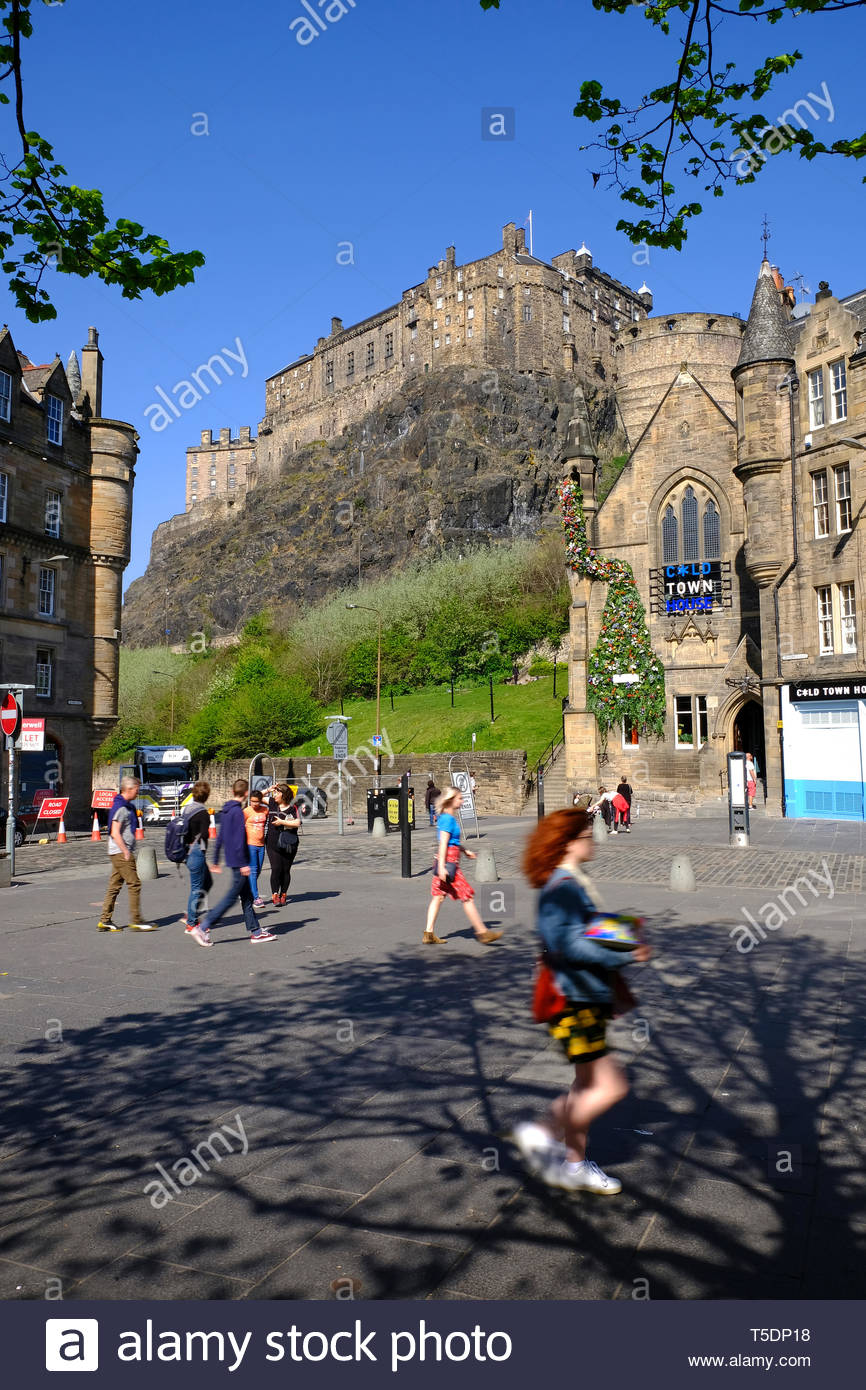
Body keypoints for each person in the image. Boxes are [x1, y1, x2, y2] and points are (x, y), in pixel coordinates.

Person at [513, 807, 651, 1193]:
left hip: (584, 997)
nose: (593, 840)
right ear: (569, 842)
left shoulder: (570, 881)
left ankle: (573, 1163)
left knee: (585, 1084)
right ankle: (541, 1133)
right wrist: (625, 952)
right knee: (611, 1087)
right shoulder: (563, 887)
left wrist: (629, 933)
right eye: (587, 834)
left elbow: (587, 927)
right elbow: (572, 944)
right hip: (575, 1002)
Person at [194, 779, 276, 947]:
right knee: (231, 898)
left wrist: (216, 859)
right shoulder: (238, 812)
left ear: (232, 792)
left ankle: (256, 931)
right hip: (240, 862)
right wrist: (244, 863)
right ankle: (203, 927)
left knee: (247, 898)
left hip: (232, 861)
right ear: (246, 794)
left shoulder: (225, 811)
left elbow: (221, 837)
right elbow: (239, 839)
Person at [422, 787, 502, 946]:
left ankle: (429, 933)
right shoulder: (447, 819)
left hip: (447, 860)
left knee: (438, 896)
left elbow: (452, 842)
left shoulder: (448, 817)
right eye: (460, 798)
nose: (462, 801)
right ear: (451, 800)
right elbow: (443, 843)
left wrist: (465, 851)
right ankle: (482, 932)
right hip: (449, 863)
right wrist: (444, 866)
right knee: (467, 896)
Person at [98, 777, 157, 932]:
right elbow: (115, 832)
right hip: (120, 852)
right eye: (137, 790)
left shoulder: (126, 806)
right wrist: (125, 851)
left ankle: (105, 920)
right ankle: (136, 920)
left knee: (114, 886)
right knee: (134, 884)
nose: (138, 793)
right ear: (129, 789)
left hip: (118, 851)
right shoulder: (121, 807)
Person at [182, 781, 212, 933]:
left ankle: (192, 914)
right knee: (196, 888)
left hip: (187, 850)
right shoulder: (203, 813)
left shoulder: (187, 809)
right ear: (206, 796)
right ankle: (191, 922)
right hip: (197, 852)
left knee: (207, 882)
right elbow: (205, 834)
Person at [265, 783, 301, 906]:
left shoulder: (293, 808)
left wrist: (282, 822)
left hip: (288, 844)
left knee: (285, 870)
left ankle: (283, 894)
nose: (274, 794)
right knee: (276, 869)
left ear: (284, 795)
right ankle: (275, 894)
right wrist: (268, 790)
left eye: (277, 792)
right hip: (272, 843)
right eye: (274, 792)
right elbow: (254, 797)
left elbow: (297, 823)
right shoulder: (271, 803)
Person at [244, 787, 269, 907]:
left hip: (261, 845)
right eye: (252, 801)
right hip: (250, 844)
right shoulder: (247, 811)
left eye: (257, 801)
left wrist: (268, 790)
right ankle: (256, 898)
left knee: (258, 870)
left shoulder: (265, 810)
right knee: (253, 871)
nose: (254, 803)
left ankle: (245, 892)